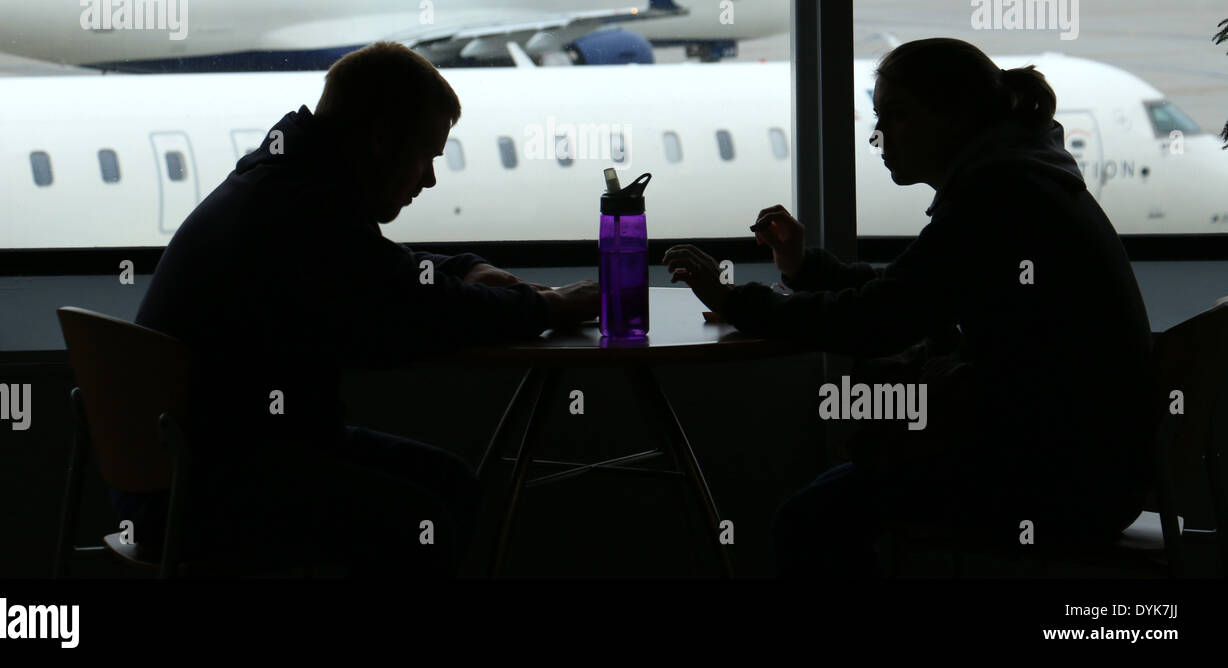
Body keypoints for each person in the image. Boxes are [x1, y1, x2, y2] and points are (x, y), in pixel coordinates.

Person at [664, 38, 1156, 577]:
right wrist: (805, 271)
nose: (879, 136)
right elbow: (912, 295)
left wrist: (736, 300)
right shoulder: (1023, 181)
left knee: (809, 522)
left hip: (1057, 482)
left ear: (955, 118)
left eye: (895, 116)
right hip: (1094, 471)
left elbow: (879, 320)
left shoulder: (995, 199)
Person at [111, 42, 599, 576]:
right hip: (213, 490)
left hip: (191, 471)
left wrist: (461, 270)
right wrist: (548, 307)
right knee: (426, 515)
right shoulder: (305, 206)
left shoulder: (283, 182)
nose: (430, 179)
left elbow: (375, 271)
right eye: (425, 155)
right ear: (380, 140)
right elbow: (412, 312)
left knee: (448, 489)